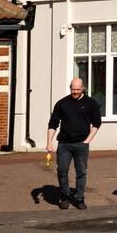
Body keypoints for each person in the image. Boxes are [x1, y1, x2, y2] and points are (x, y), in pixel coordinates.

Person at [46, 77, 101, 209]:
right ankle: (64, 195)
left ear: (83, 88)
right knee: (62, 170)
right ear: (70, 88)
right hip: (64, 144)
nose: (75, 92)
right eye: (72, 89)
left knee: (81, 172)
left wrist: (87, 141)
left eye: (77, 89)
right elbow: (53, 123)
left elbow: (97, 123)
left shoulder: (91, 103)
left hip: (81, 143)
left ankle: (79, 198)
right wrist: (49, 142)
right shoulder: (62, 104)